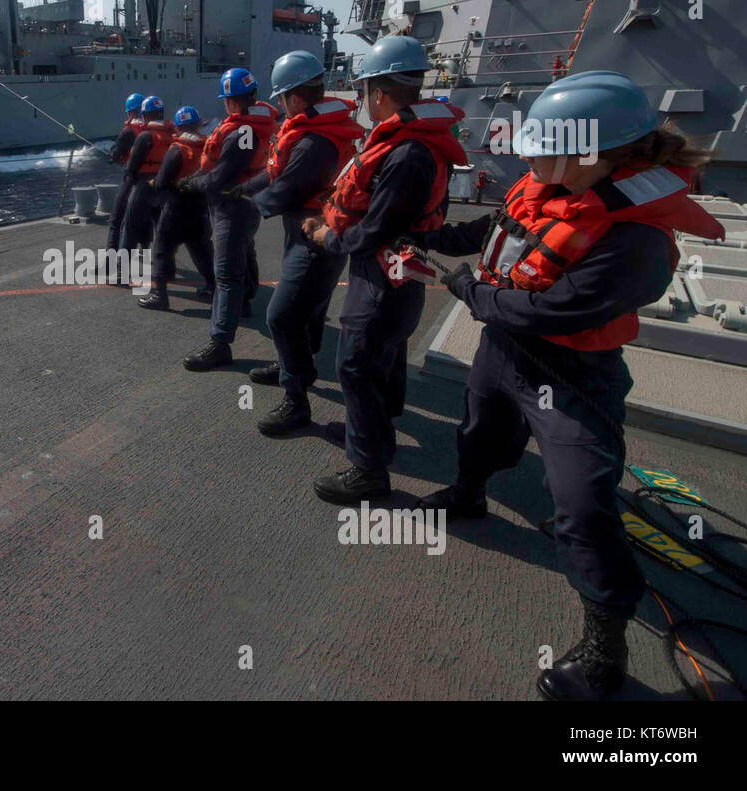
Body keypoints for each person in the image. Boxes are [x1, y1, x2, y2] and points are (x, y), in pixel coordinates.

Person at [414, 71, 725, 700]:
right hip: (502, 351)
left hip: (572, 373)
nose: (528, 157)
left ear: (589, 152)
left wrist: (463, 287)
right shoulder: (552, 184)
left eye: (541, 146)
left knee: (583, 504)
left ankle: (604, 645)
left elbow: (551, 310)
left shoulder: (638, 239)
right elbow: (501, 229)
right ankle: (469, 492)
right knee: (480, 432)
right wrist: (430, 239)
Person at [303, 35, 465, 500]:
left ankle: (368, 470)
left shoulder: (406, 154)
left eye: (364, 90)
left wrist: (327, 236)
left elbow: (375, 229)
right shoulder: (422, 145)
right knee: (386, 358)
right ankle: (376, 433)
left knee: (356, 365)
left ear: (378, 93)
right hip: (401, 275)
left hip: (380, 278)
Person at [247, 51, 365, 436]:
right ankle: (291, 365)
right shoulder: (317, 133)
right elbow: (283, 180)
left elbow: (287, 188)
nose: (281, 106)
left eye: (282, 98)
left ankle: (296, 398)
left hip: (317, 235)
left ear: (295, 98)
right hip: (307, 227)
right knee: (309, 309)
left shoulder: (315, 143)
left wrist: (243, 199)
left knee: (281, 315)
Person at [181, 68, 279, 370]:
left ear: (231, 103)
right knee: (244, 253)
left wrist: (190, 184)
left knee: (225, 275)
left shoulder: (243, 133)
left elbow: (222, 176)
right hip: (245, 204)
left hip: (231, 206)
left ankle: (220, 343)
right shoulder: (254, 127)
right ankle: (246, 301)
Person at [138, 106, 216, 310]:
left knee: (162, 251)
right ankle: (212, 288)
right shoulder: (207, 146)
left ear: (178, 127)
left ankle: (159, 296)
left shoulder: (177, 149)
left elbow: (163, 182)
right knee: (203, 251)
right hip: (200, 209)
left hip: (175, 210)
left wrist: (153, 184)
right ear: (198, 125)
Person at [121, 96, 175, 276]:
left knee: (129, 230)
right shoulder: (171, 134)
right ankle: (168, 270)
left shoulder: (145, 136)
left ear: (145, 116)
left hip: (143, 186)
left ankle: (120, 272)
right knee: (162, 231)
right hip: (163, 187)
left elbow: (132, 166)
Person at [104, 92, 146, 284]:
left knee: (117, 221)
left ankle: (112, 265)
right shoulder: (152, 129)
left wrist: (113, 156)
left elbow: (116, 153)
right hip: (154, 184)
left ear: (130, 113)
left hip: (132, 181)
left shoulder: (130, 131)